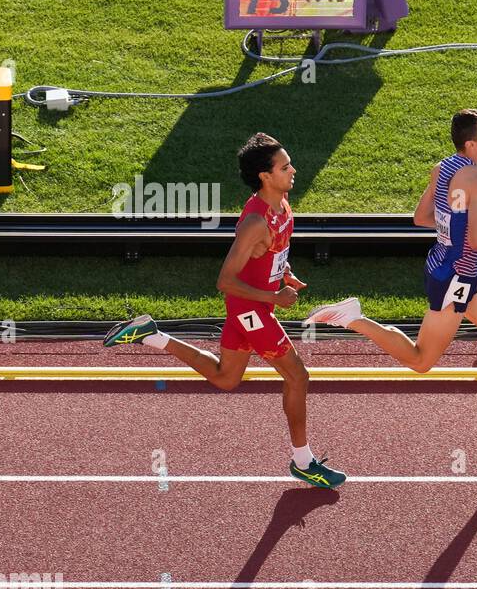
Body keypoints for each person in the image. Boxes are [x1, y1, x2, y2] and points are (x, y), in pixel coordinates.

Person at [303, 108, 477, 443]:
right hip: (458, 278)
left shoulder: (442, 168)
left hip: (455, 268)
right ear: (470, 144)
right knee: (421, 360)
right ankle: (354, 319)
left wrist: (458, 228)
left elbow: (421, 217)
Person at [103, 133, 346, 488]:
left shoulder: (283, 204)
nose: (293, 170)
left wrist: (285, 273)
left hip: (255, 305)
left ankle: (151, 335)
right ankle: (303, 461)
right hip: (252, 310)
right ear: (265, 176)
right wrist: (274, 298)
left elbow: (271, 254)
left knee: (225, 378)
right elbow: (225, 281)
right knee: (298, 377)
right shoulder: (255, 222)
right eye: (285, 166)